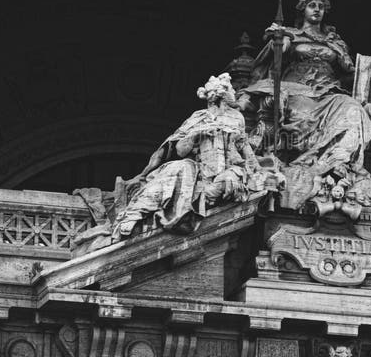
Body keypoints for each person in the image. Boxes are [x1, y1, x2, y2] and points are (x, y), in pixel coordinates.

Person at [239, 0, 371, 208]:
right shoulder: (291, 35)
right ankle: (305, 164)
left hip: (330, 94)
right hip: (298, 90)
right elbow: (276, 56)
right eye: (312, 5)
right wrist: (278, 42)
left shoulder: (336, 42)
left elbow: (351, 73)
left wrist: (368, 69)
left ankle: (335, 164)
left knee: (353, 109)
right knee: (303, 115)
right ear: (303, 9)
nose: (317, 10)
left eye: (321, 7)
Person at [112, 73, 262, 238]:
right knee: (177, 169)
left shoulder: (236, 118)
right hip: (199, 170)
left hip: (230, 170)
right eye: (231, 90)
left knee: (228, 180)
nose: (234, 94)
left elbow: (244, 146)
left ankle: (195, 207)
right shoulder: (198, 118)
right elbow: (180, 150)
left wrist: (258, 171)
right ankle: (134, 215)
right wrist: (196, 135)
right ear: (221, 96)